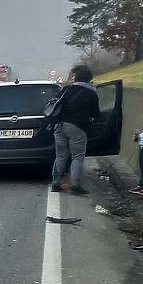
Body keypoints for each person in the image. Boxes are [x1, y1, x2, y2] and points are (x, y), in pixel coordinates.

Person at [49, 64, 99, 195]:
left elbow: (57, 104)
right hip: (78, 127)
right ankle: (75, 186)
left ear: (76, 77)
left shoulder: (66, 89)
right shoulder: (91, 93)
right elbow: (95, 113)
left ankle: (55, 183)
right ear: (89, 79)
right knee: (77, 157)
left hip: (60, 126)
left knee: (60, 156)